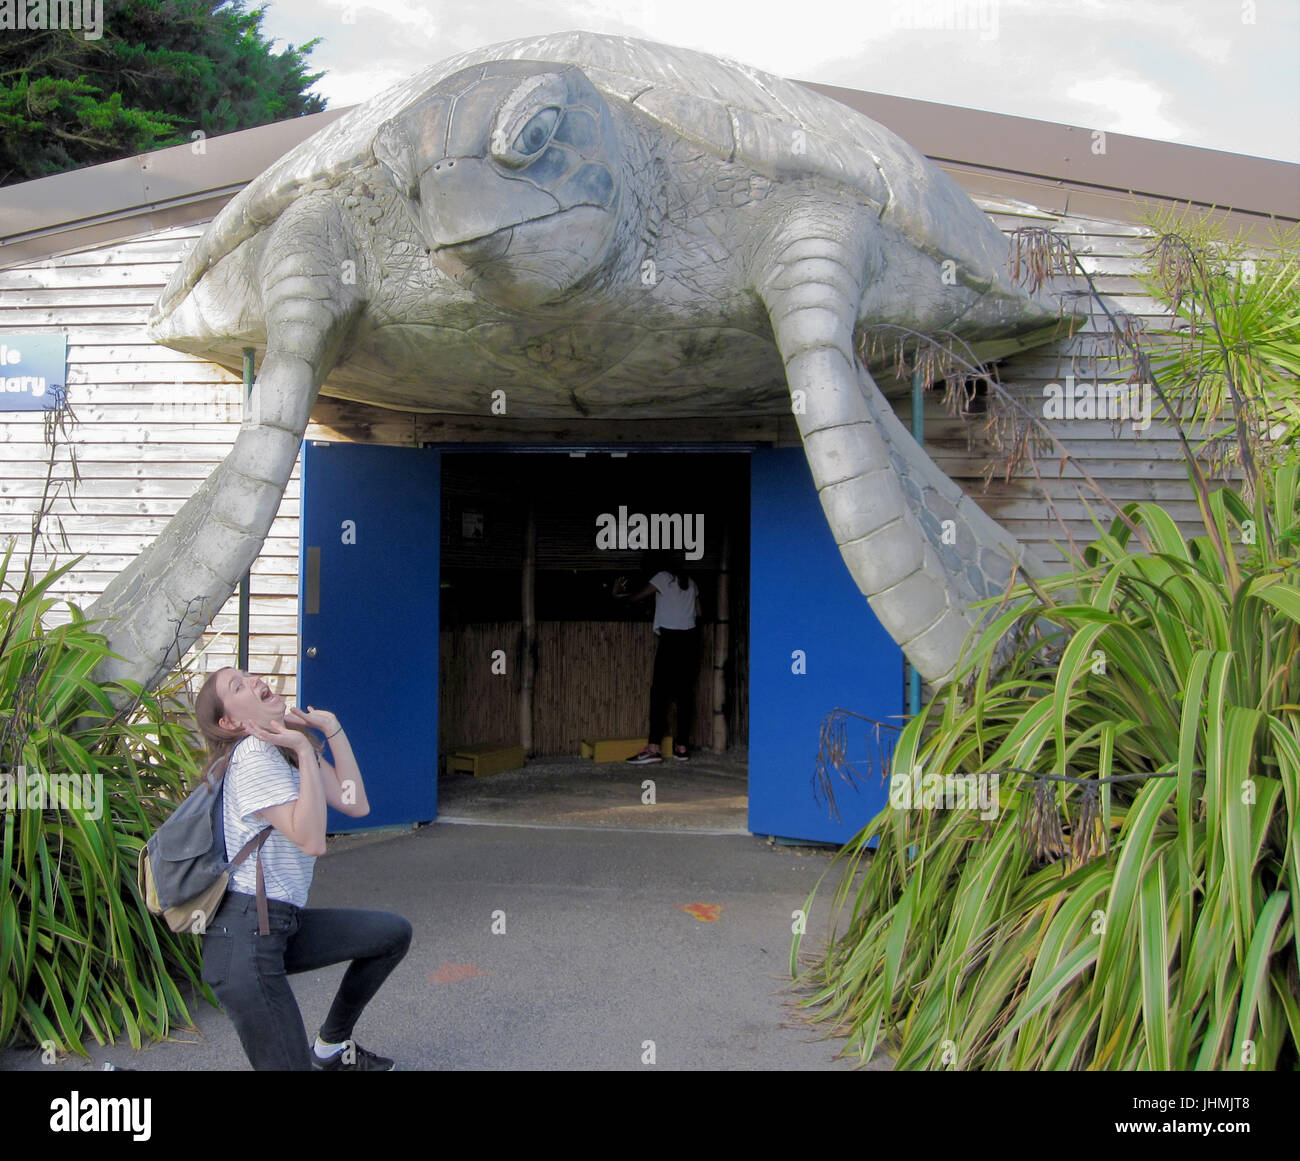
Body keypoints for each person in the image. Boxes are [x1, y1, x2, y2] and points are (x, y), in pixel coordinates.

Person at [192, 667, 412, 1071]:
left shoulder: (280, 749)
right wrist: (306, 750)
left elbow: (355, 802)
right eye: (237, 686)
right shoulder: (253, 756)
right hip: (245, 939)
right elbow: (311, 840)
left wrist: (331, 730)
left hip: (279, 924)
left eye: (247, 674)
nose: (253, 680)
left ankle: (331, 1047)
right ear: (231, 722)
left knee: (390, 934)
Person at [613, 552, 701, 764]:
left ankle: (654, 748)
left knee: (660, 694)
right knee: (684, 695)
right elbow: (699, 613)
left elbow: (635, 598)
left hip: (671, 640)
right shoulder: (691, 583)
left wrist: (617, 594)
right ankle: (682, 748)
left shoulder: (662, 577)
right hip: (691, 641)